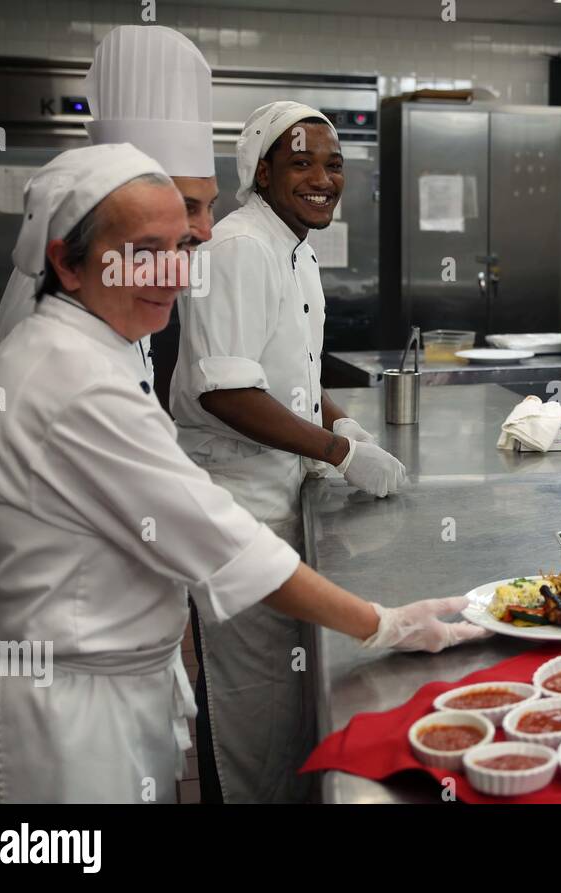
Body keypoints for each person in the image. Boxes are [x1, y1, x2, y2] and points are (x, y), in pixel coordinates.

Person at [0, 145, 487, 803]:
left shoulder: (86, 344)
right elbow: (221, 541)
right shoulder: (73, 379)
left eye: (181, 246)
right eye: (144, 251)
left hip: (92, 700)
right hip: (56, 733)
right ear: (66, 261)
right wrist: (383, 623)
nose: (174, 274)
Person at [171, 101, 407, 802]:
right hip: (237, 504)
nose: (322, 178)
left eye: (333, 164)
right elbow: (226, 391)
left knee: (282, 687)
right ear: (263, 172)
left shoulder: (294, 247)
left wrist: (346, 425)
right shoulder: (239, 247)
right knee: (251, 700)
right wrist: (338, 451)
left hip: (278, 496)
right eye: (301, 162)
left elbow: (291, 372)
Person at [0, 24, 219, 391]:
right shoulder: (69, 316)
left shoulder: (128, 275)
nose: (207, 231)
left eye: (210, 206)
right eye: (185, 207)